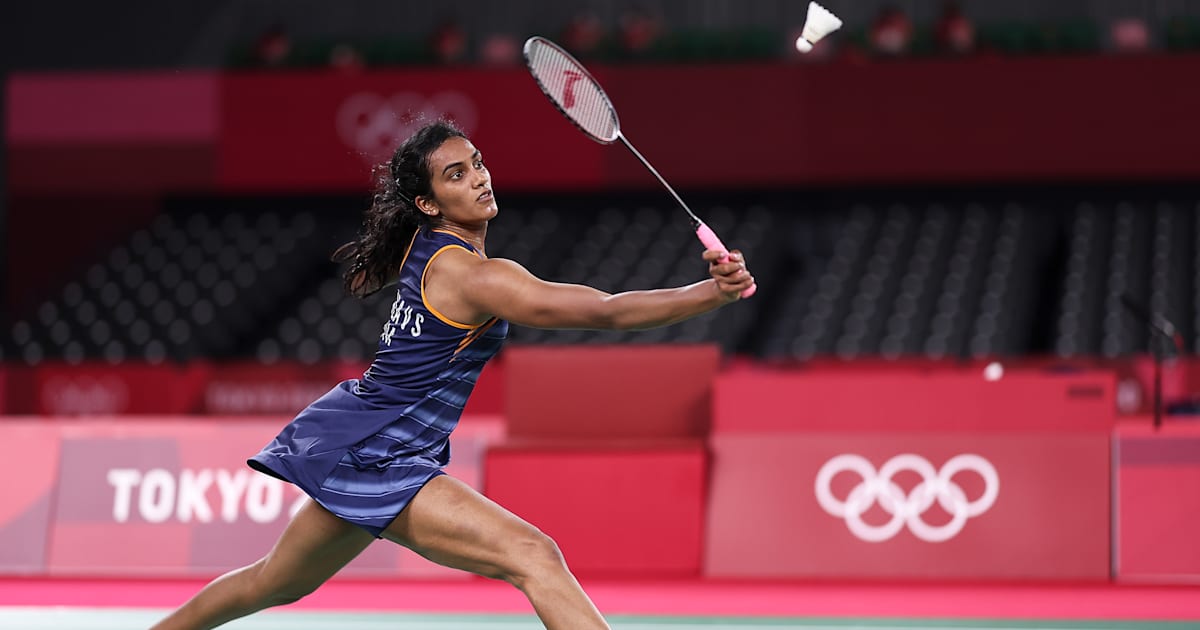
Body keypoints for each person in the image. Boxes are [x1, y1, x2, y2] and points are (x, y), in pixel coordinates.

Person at [149, 120, 755, 630]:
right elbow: (606, 310)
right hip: (380, 451)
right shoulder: (474, 276)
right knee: (534, 554)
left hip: (359, 437)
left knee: (272, 583)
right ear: (430, 203)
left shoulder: (430, 248)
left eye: (478, 163)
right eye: (456, 175)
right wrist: (711, 294)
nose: (479, 178)